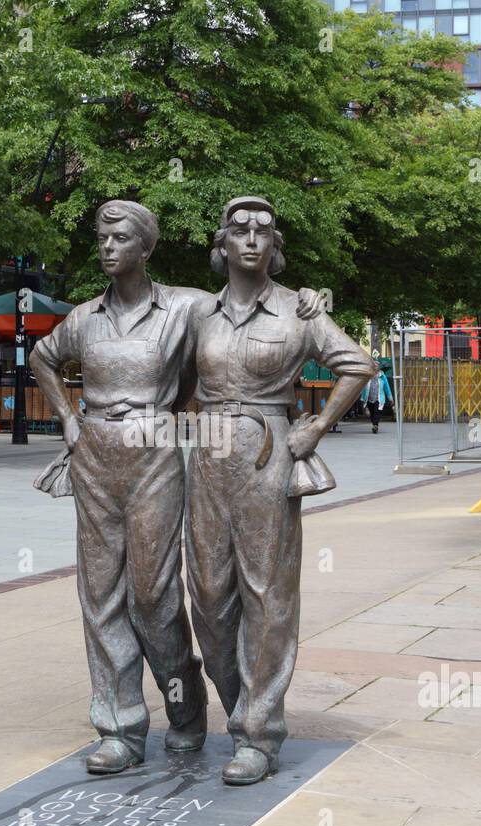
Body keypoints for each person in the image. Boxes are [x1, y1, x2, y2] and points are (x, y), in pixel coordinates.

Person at [185, 197, 377, 785]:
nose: (250, 239)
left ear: (275, 247)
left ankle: (259, 733)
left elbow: (358, 365)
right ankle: (238, 703)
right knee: (211, 599)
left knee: (267, 594)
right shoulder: (197, 313)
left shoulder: (301, 310)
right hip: (206, 452)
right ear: (221, 245)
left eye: (262, 232)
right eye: (239, 230)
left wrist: (315, 426)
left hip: (269, 450)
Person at [28, 200, 209, 774]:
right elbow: (43, 357)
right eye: (101, 237)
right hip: (95, 458)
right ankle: (120, 726)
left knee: (153, 596)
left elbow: (246, 307)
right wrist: (67, 418)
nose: (107, 246)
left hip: (154, 458)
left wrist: (302, 300)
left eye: (120, 238)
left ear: (146, 247)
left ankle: (185, 705)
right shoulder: (84, 317)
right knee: (100, 594)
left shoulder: (184, 307)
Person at [362, 357, 393, 433]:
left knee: (377, 412)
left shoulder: (382, 376)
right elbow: (363, 387)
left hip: (379, 398)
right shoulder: (368, 375)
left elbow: (387, 387)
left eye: (377, 365)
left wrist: (390, 398)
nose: (375, 366)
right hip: (369, 398)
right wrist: (362, 398)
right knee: (372, 413)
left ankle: (375, 425)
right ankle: (374, 424)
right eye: (374, 365)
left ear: (379, 367)